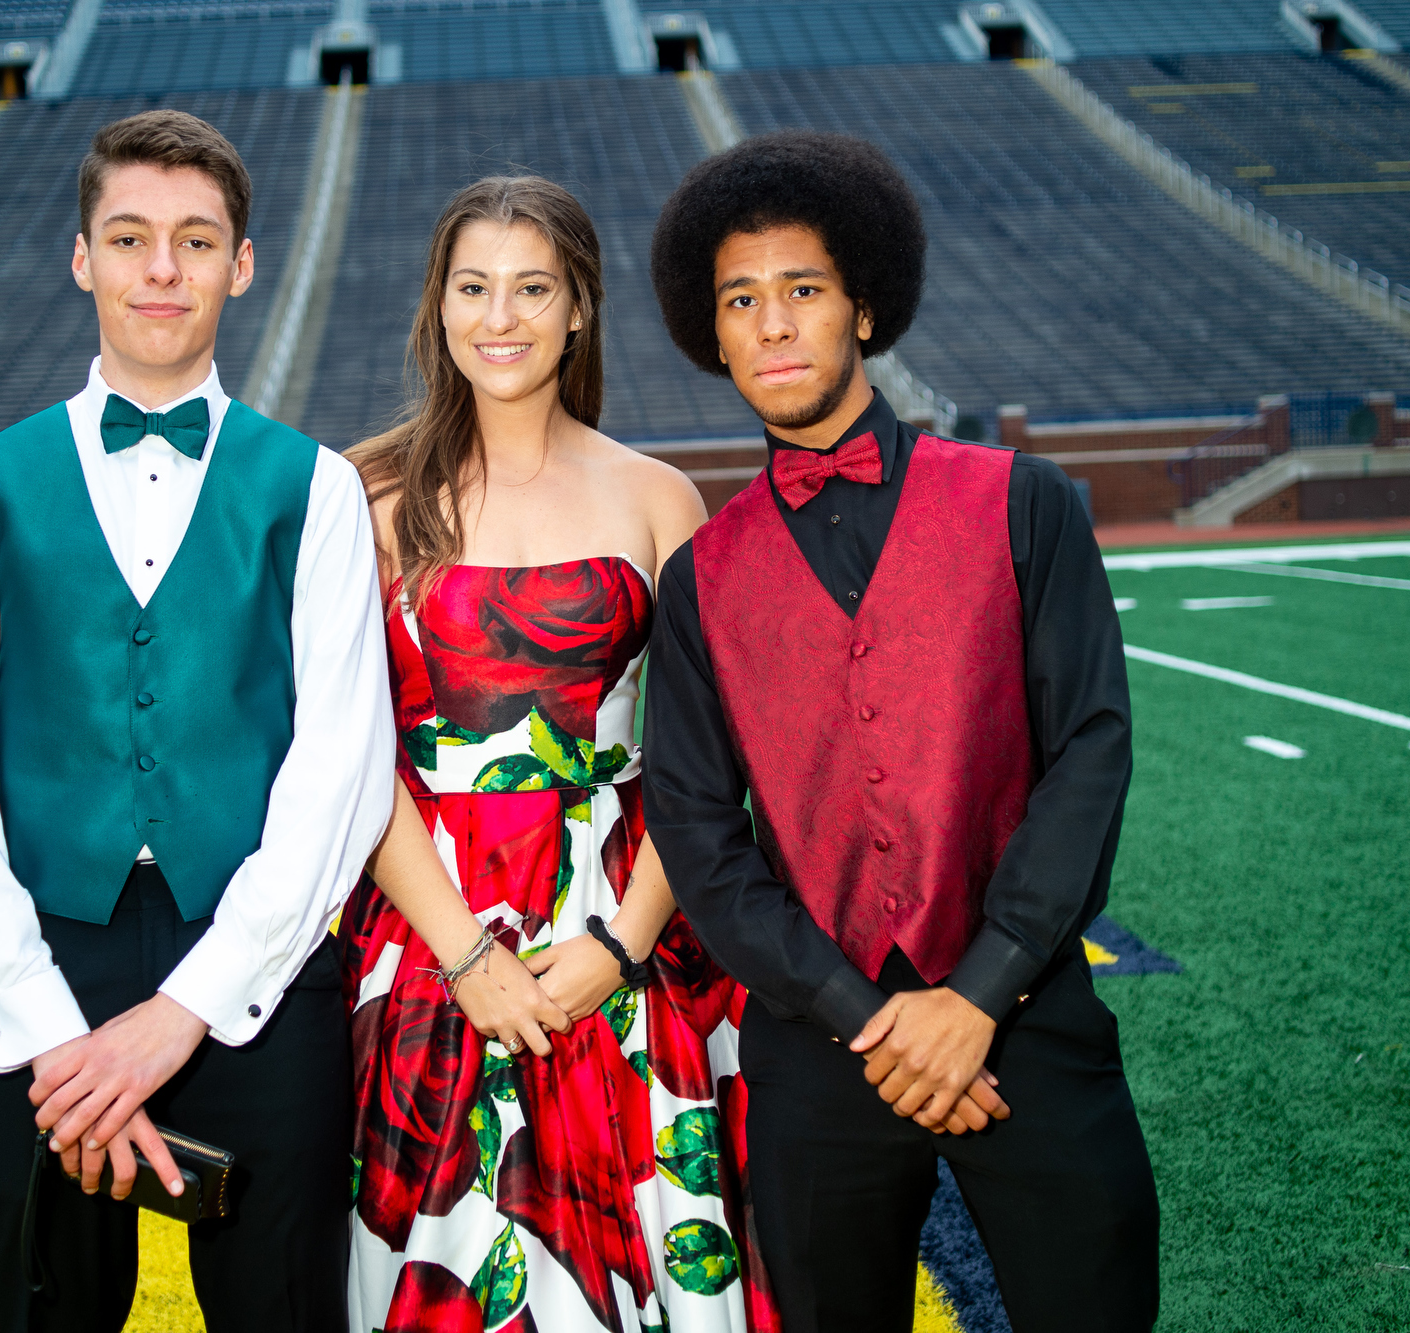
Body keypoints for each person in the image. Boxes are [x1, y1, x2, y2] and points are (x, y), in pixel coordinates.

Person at [641, 130, 1161, 1333]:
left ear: (863, 309)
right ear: (710, 334)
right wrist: (864, 1015)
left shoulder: (1020, 501)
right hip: (819, 1046)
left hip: (1024, 1021)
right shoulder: (701, 579)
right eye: (740, 301)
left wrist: (975, 993)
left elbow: (1089, 751)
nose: (771, 324)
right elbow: (698, 831)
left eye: (802, 290)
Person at [0, 109, 394, 1332]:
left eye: (193, 239)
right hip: (47, 967)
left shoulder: (315, 485)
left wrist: (187, 1009)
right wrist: (51, 1031)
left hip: (260, 968)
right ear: (83, 259)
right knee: (38, 1307)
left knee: (282, 1308)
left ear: (242, 261)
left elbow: (342, 769)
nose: (161, 269)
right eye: (129, 238)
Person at [339, 175, 753, 1333]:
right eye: (472, 287)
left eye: (532, 287)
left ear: (579, 307)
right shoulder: (362, 497)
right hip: (425, 940)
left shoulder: (659, 499)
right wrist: (464, 954)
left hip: (627, 930)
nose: (500, 317)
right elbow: (346, 762)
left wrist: (618, 946)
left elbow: (708, 768)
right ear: (437, 305)